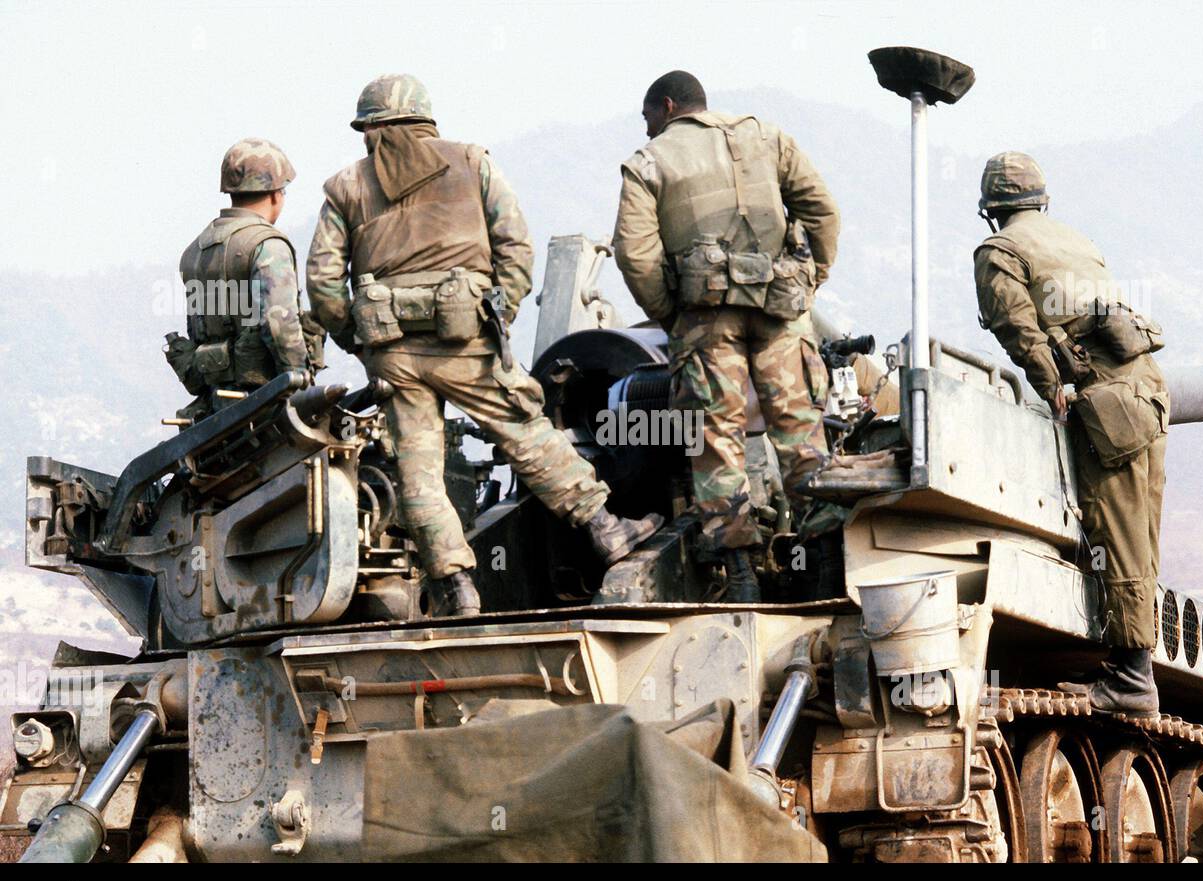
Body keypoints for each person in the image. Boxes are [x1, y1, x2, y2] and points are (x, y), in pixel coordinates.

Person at [307, 74, 662, 617]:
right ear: (425, 118)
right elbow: (514, 245)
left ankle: (457, 589)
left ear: (371, 126)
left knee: (418, 472)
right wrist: (500, 313)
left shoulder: (344, 187)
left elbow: (325, 284)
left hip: (395, 356)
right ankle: (607, 531)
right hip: (466, 340)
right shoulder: (472, 162)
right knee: (525, 432)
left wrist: (362, 343)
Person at [612, 70, 841, 602]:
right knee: (803, 436)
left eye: (648, 117)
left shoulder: (648, 163)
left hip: (706, 320)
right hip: (781, 311)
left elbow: (635, 253)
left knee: (717, 443)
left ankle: (740, 579)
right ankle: (826, 566)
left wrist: (670, 314)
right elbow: (822, 211)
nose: (647, 129)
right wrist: (808, 282)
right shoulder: (765, 135)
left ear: (666, 106)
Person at [973, 151, 1166, 715]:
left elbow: (1019, 329)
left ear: (992, 209)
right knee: (1141, 530)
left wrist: (1053, 386)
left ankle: (1132, 681)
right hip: (1147, 392)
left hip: (1108, 404)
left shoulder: (999, 251)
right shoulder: (1074, 240)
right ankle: (1128, 666)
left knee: (1116, 528)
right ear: (1041, 200)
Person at [169, 138, 323, 419]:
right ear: (277, 194)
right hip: (265, 400)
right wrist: (299, 380)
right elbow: (278, 324)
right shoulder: (267, 245)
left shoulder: (194, 251)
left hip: (216, 403)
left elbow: (198, 330)